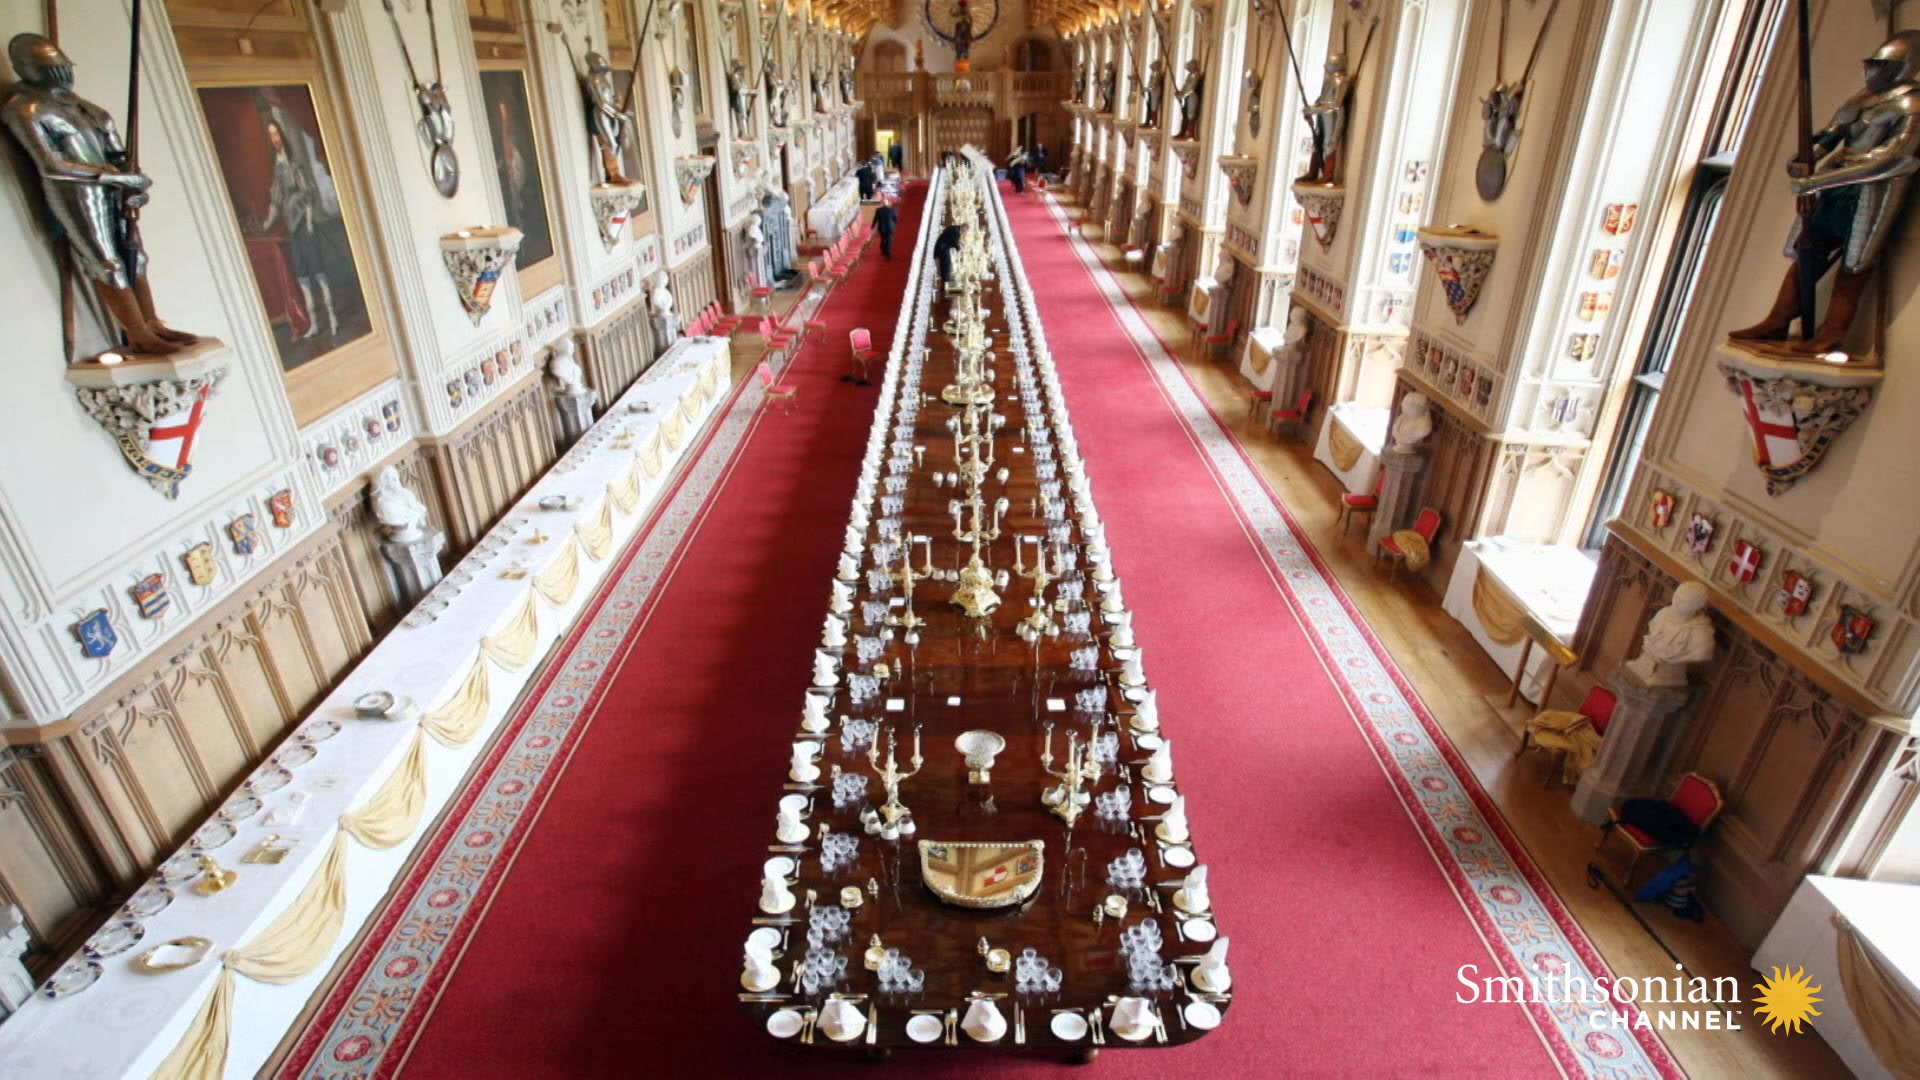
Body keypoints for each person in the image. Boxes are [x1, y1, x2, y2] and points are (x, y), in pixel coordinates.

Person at [3, 33, 198, 355]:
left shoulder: (89, 109)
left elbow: (119, 155)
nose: (62, 75)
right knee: (106, 262)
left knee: (136, 256)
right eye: (54, 68)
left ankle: (153, 324)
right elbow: (51, 164)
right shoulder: (25, 109)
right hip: (76, 193)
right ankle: (138, 335)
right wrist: (112, 177)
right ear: (29, 68)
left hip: (112, 189)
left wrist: (135, 184)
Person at [934, 221, 967, 286]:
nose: (966, 232)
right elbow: (954, 242)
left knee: (944, 263)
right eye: (966, 230)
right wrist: (960, 249)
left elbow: (954, 239)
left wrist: (960, 243)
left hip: (942, 246)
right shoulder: (957, 232)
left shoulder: (956, 228)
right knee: (947, 263)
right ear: (964, 227)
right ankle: (947, 278)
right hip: (943, 248)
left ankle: (945, 277)